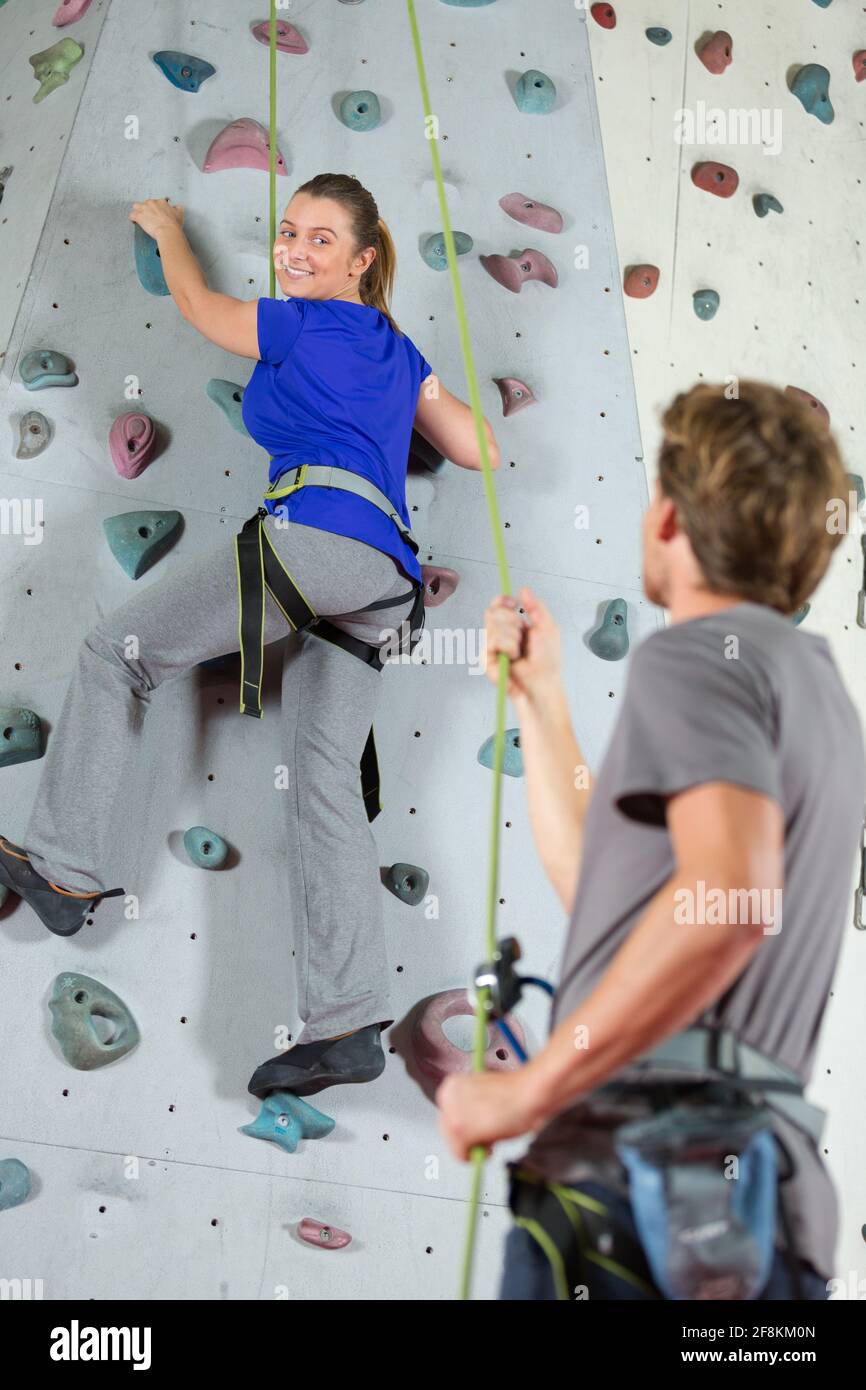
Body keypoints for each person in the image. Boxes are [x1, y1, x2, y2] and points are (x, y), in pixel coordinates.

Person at [0, 172, 499, 1101]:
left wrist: (165, 228)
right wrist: (420, 378)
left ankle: (64, 872)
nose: (295, 250)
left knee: (117, 657)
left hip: (313, 545)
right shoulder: (394, 348)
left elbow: (198, 305)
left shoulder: (304, 322)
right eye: (289, 233)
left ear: (363, 259)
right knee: (324, 782)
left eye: (320, 239)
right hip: (384, 588)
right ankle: (347, 1022)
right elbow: (481, 449)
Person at [437, 380, 865, 1300]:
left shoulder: (699, 657)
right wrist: (543, 702)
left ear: (668, 518)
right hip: (754, 1214)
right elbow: (626, 908)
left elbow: (729, 900)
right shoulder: (817, 692)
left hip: (636, 1187)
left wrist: (529, 1091)